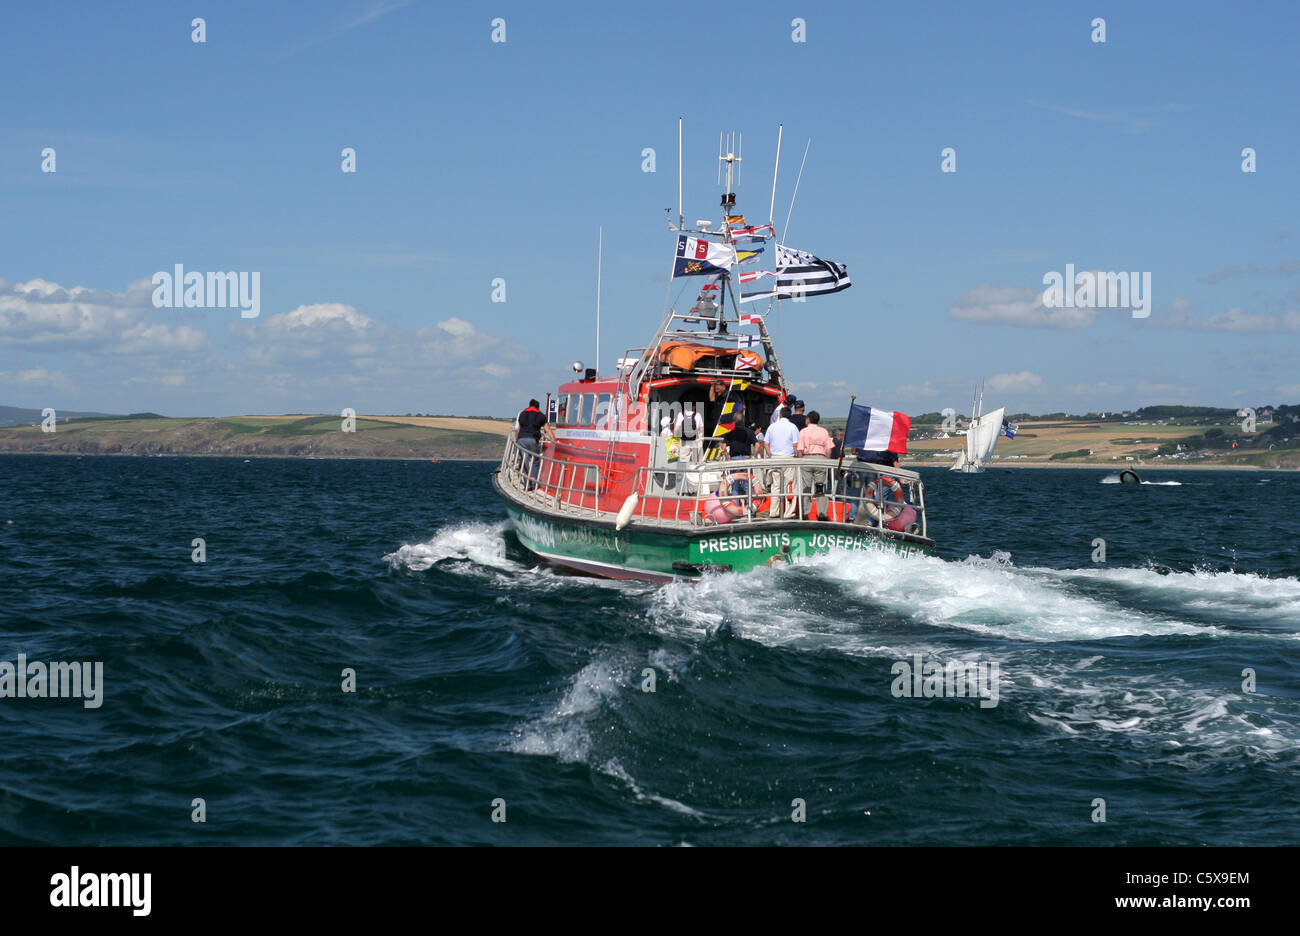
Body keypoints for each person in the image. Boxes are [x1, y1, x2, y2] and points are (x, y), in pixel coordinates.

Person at [796, 411, 834, 517]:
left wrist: (801, 460)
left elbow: (800, 449)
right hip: (821, 459)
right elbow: (829, 449)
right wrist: (826, 459)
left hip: (806, 459)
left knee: (806, 487)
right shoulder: (824, 431)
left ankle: (805, 512)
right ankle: (821, 513)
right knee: (820, 487)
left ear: (808, 419)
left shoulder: (803, 431)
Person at [515, 399, 552, 490]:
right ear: (538, 407)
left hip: (521, 440)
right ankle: (534, 484)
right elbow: (547, 430)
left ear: (529, 405)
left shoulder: (522, 414)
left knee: (525, 461)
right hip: (532, 440)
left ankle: (527, 484)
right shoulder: (541, 415)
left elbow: (518, 430)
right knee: (535, 461)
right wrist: (554, 441)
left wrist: (515, 441)